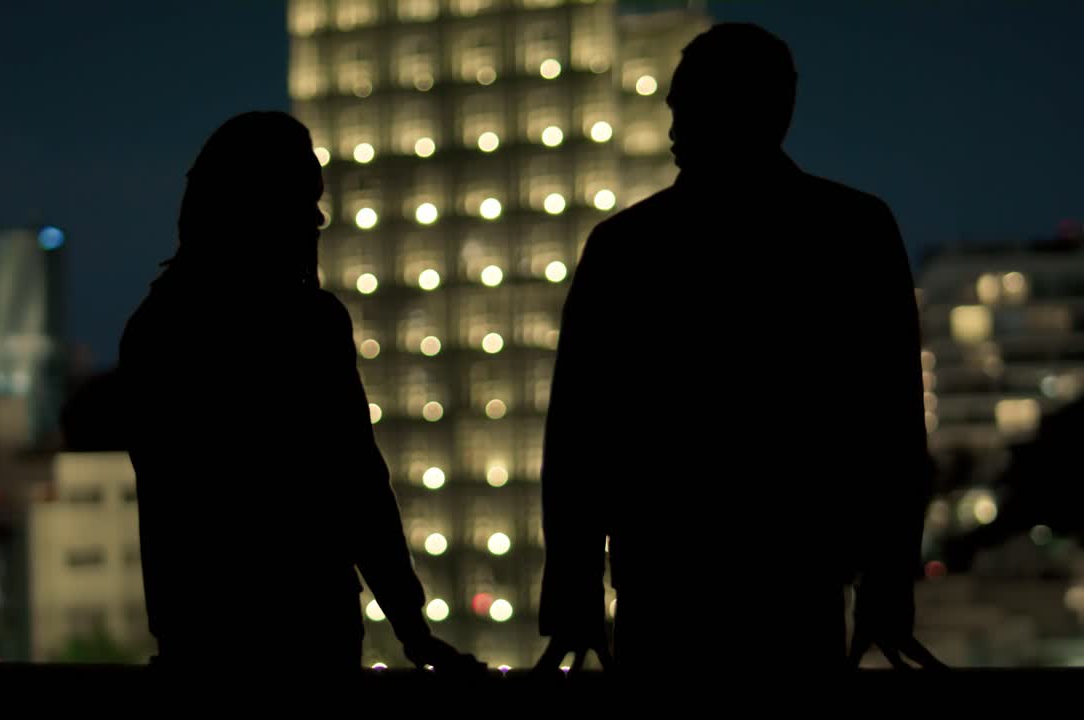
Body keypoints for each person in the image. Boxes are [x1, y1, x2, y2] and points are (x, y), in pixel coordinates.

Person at [535, 24, 940, 674]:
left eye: (684, 104)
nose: (670, 123)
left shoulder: (627, 247)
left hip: (666, 582)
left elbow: (580, 433)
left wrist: (573, 590)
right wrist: (888, 585)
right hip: (797, 577)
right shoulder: (853, 231)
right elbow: (892, 426)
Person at [119, 112, 481, 674]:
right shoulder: (308, 326)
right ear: (260, 205)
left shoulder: (156, 327)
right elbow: (358, 485)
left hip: (200, 642)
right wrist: (412, 628)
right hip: (311, 635)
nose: (317, 217)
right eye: (301, 197)